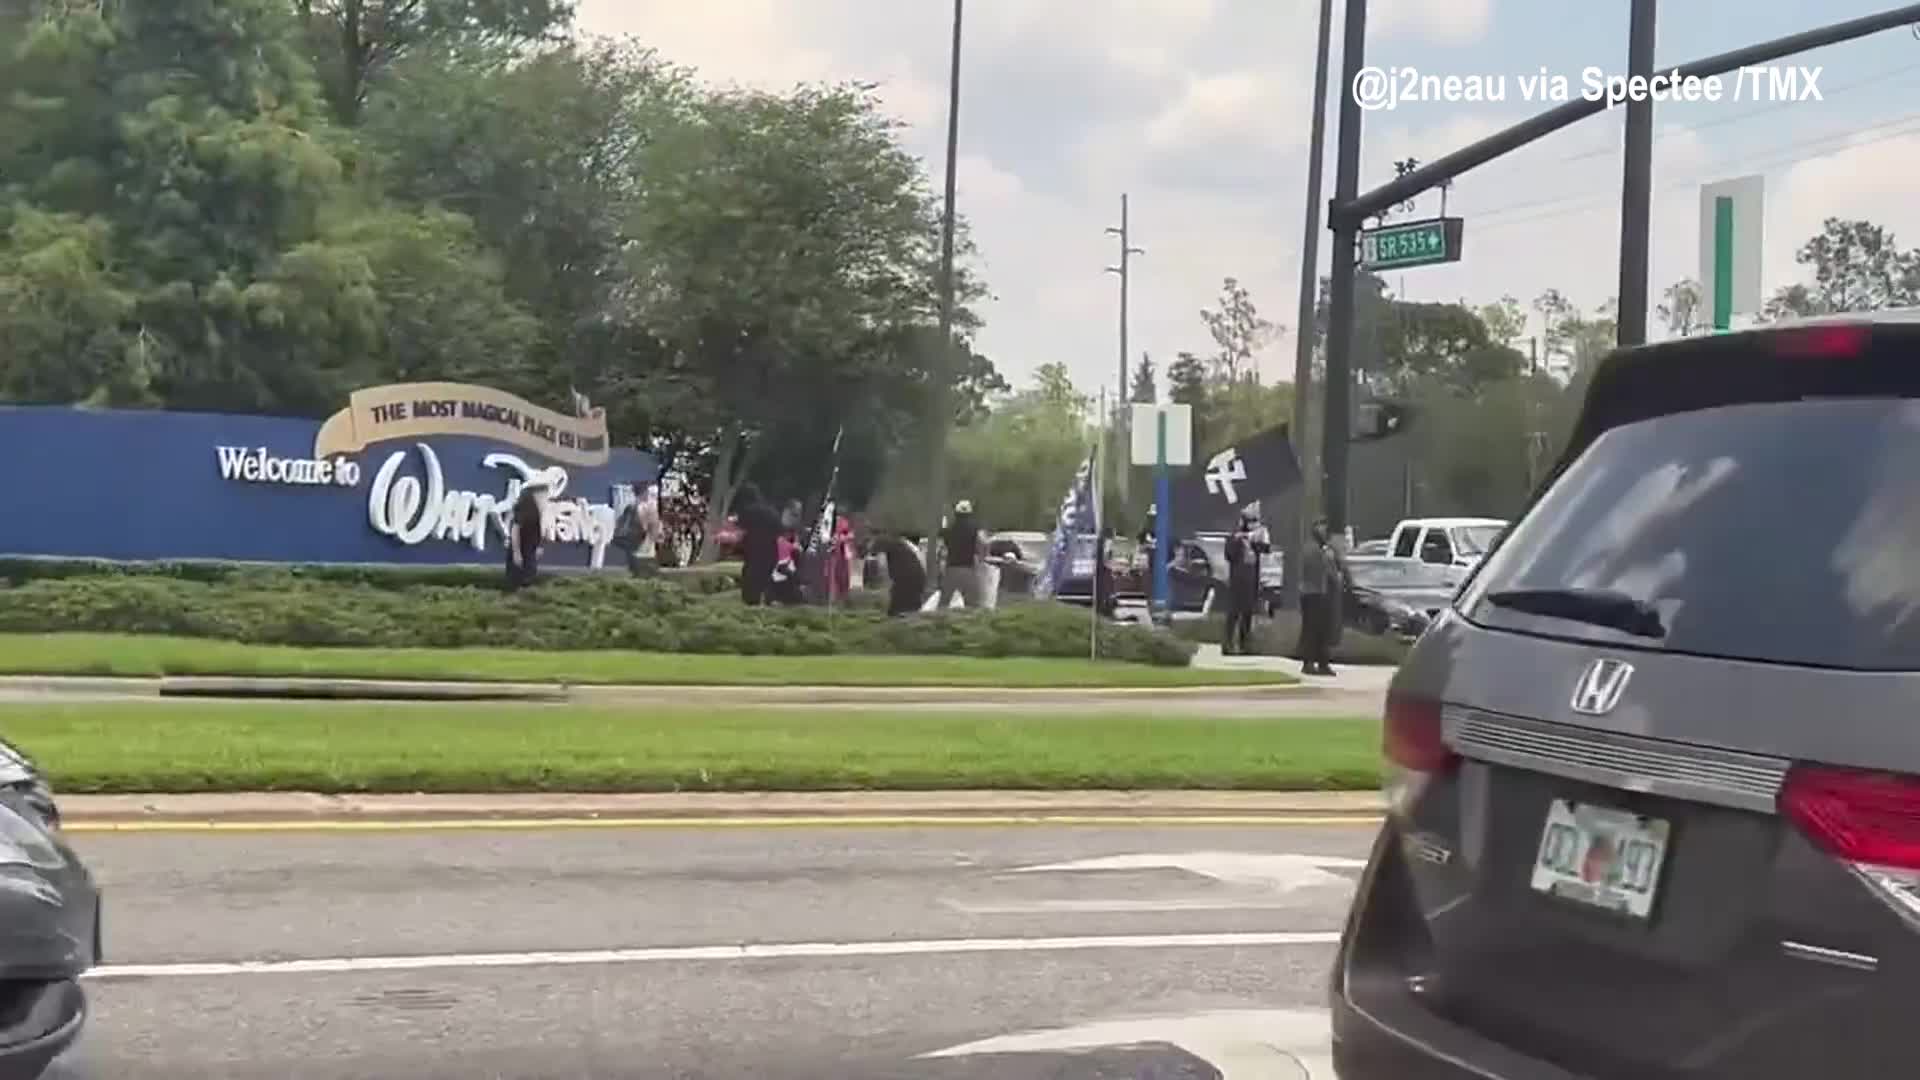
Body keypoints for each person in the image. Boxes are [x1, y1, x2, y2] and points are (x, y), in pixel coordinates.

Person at [1296, 517, 1344, 675]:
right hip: (1311, 593)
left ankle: (1323, 663)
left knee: (1323, 630)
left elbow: (1336, 568)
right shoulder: (1311, 548)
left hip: (1323, 593)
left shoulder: (1326, 548)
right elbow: (1315, 568)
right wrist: (1327, 559)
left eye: (1324, 526)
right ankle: (1308, 662)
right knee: (1311, 629)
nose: (1323, 529)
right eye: (1320, 526)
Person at [1222, 507, 1270, 654]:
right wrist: (1240, 539)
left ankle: (1245, 644)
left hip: (1251, 581)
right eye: (1249, 522)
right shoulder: (1234, 538)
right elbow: (1229, 555)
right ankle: (1228, 643)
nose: (1251, 525)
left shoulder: (1255, 539)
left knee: (1248, 613)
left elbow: (1265, 549)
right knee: (1234, 613)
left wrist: (1261, 536)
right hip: (1238, 581)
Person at [732, 482, 783, 606]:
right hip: (771, 554)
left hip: (754, 555)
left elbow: (739, 533)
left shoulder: (746, 511)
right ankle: (768, 606)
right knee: (766, 585)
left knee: (750, 590)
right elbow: (780, 531)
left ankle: (751, 614)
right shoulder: (771, 511)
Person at [936, 499, 986, 610]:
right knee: (973, 604)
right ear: (970, 514)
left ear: (956, 514)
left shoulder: (948, 530)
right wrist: (981, 560)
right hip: (968, 569)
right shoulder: (975, 529)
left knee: (944, 603)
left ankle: (939, 624)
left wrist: (940, 568)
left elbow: (940, 550)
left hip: (951, 569)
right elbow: (983, 545)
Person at [505, 480, 549, 591]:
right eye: (543, 495)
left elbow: (536, 531)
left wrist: (538, 546)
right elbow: (515, 530)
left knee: (528, 579)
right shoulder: (525, 509)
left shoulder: (537, 511)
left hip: (530, 551)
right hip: (522, 551)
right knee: (519, 580)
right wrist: (517, 552)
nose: (545, 498)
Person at [614, 482, 662, 578]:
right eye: (647, 492)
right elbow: (651, 527)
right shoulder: (647, 507)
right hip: (644, 546)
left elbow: (620, 522)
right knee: (647, 575)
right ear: (644, 493)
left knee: (634, 572)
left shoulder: (629, 506)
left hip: (631, 544)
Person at [877, 530, 928, 616]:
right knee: (911, 608)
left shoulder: (883, 541)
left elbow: (882, 564)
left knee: (896, 610)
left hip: (905, 578)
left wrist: (885, 583)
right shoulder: (904, 544)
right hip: (917, 577)